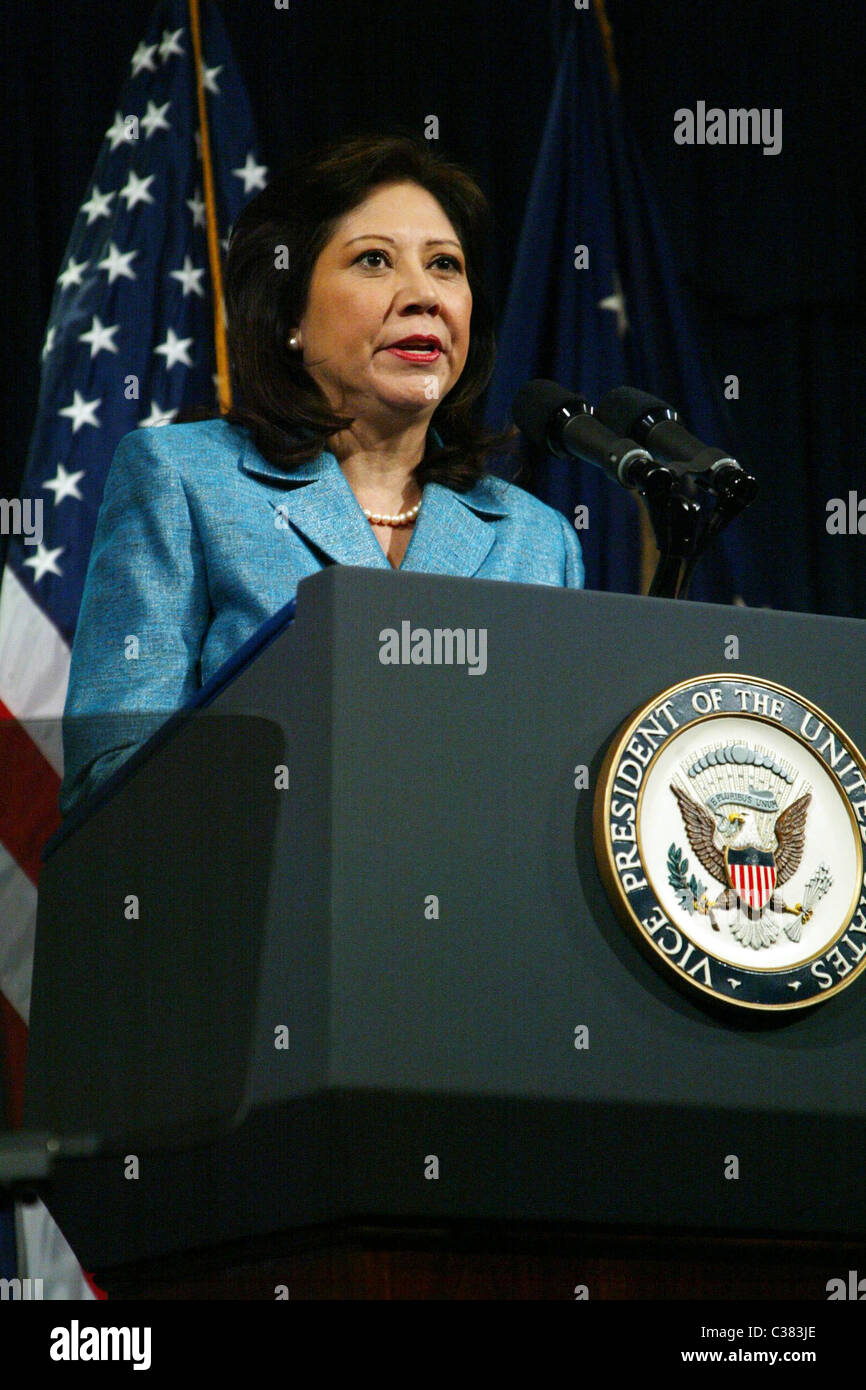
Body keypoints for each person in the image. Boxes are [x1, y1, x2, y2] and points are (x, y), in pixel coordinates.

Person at [58, 133, 584, 817]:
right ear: (291, 316)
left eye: (446, 266)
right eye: (373, 260)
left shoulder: (537, 539)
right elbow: (113, 779)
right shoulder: (182, 479)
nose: (424, 294)